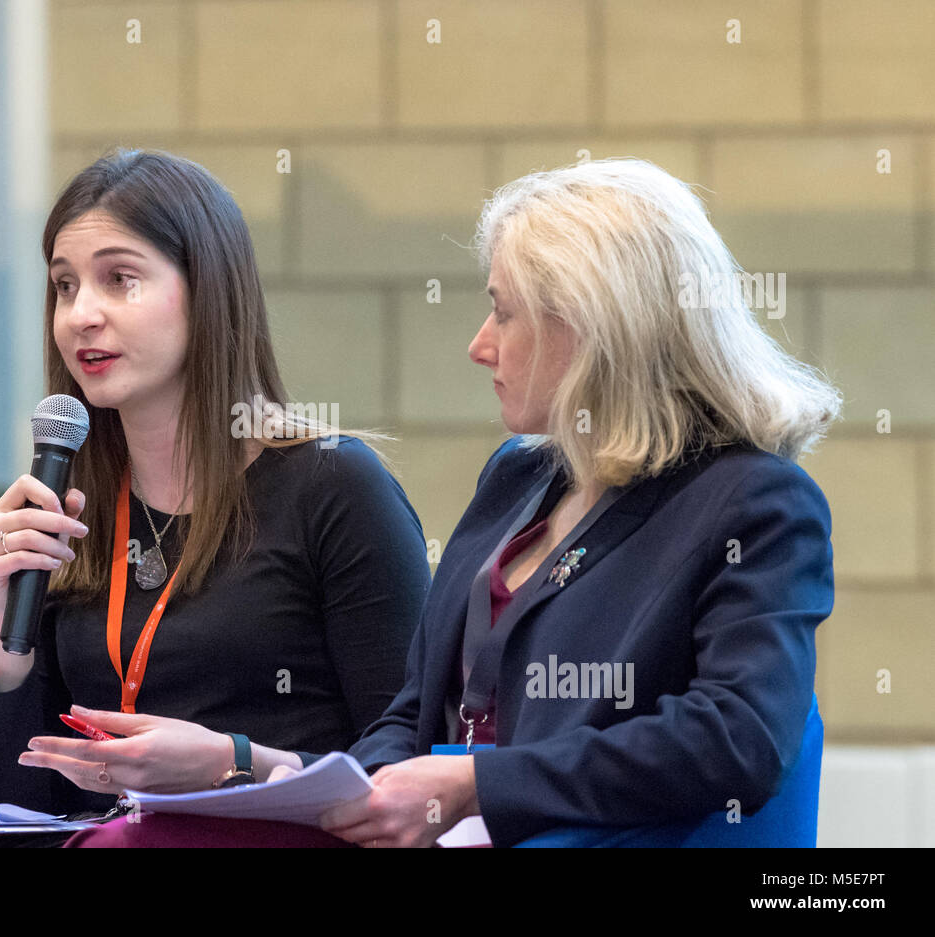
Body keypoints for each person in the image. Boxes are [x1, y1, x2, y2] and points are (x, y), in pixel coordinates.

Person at [59, 156, 840, 847]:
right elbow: (410, 717)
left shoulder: (752, 501)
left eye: (504, 310)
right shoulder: (517, 478)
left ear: (592, 326)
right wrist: (259, 769)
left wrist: (475, 784)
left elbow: (740, 737)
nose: (480, 344)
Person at [0, 149, 429, 846]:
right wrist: (8, 642)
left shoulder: (333, 486)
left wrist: (235, 763)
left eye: (119, 280)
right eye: (64, 286)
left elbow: (405, 768)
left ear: (207, 291)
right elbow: (0, 803)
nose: (81, 315)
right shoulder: (73, 507)